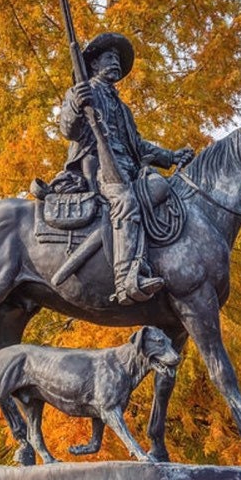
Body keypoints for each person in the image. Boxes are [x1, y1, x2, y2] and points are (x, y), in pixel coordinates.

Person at [57, 32, 193, 306]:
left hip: (129, 168)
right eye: (109, 57)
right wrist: (75, 104)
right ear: (94, 64)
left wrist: (170, 156)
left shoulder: (123, 108)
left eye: (118, 59)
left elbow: (138, 145)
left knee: (161, 187)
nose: (115, 62)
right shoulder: (82, 92)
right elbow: (67, 130)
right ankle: (126, 278)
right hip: (99, 168)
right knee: (125, 201)